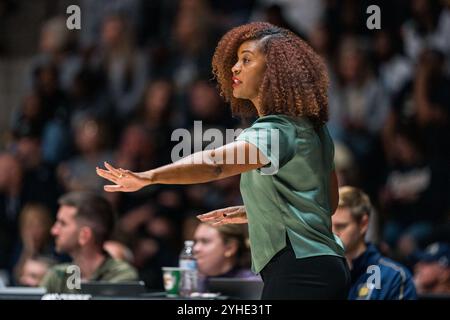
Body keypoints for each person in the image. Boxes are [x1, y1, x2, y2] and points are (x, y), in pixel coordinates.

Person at [97, 22, 350, 299]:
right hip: (327, 264)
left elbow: (216, 163)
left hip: (300, 270)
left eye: (246, 60)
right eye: (236, 60)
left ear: (273, 73)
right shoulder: (313, 129)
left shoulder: (276, 130)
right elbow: (327, 202)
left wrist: (149, 177)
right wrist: (254, 211)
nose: (235, 68)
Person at [40, 192, 138, 293]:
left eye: (63, 224)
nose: (54, 231)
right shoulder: (57, 276)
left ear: (84, 235)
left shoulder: (120, 276)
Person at [332, 186, 417, 300]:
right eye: (329, 226)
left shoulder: (394, 277)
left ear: (363, 224)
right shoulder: (321, 273)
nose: (333, 233)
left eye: (341, 226)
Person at [193, 223, 256, 292]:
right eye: (196, 241)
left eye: (205, 241)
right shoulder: (194, 283)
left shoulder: (253, 285)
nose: (196, 248)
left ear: (230, 248)